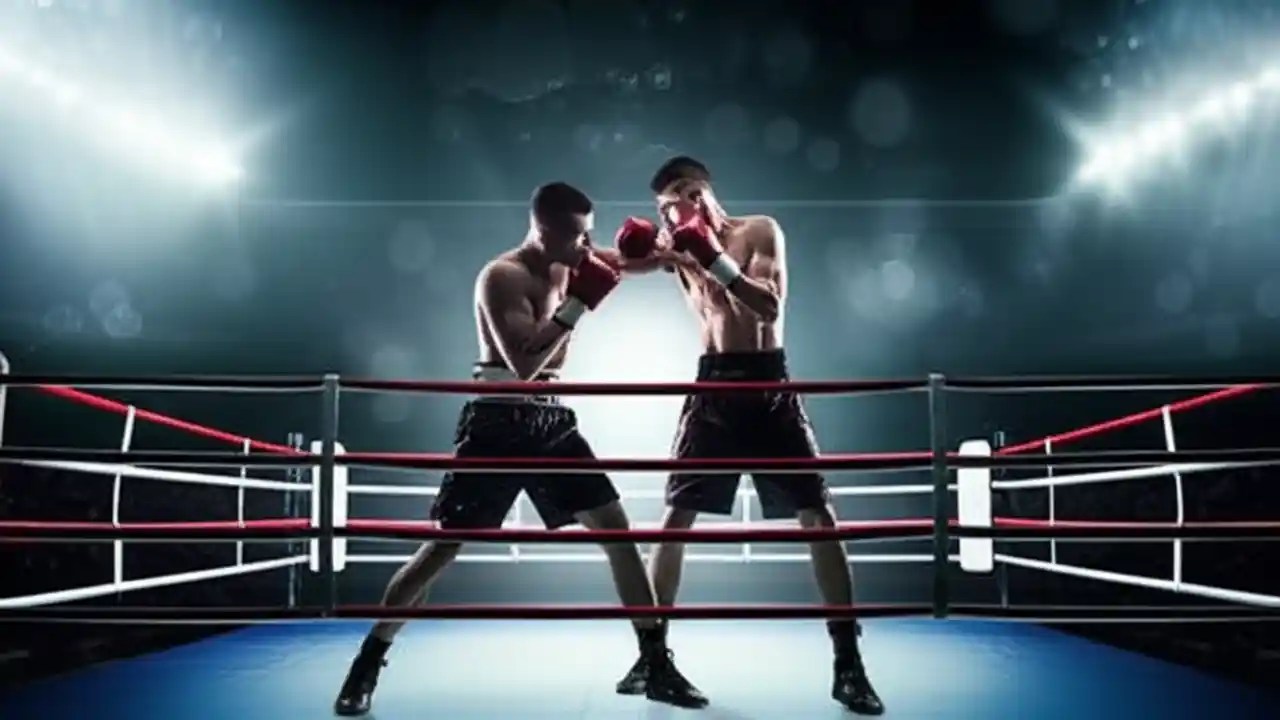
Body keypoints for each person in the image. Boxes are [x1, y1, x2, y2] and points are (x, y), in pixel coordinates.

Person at [333, 181, 703, 715]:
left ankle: (655, 664)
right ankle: (367, 662)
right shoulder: (501, 276)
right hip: (498, 421)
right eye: (577, 235)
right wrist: (579, 303)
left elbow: (626, 264)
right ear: (543, 228)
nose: (585, 246)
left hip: (553, 422)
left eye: (589, 235)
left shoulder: (572, 258)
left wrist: (677, 253)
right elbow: (525, 366)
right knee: (442, 548)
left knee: (618, 533)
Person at [613, 157, 885, 715]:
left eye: (688, 193)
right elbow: (619, 264)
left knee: (818, 514)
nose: (681, 206)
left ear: (708, 191)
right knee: (674, 517)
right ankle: (653, 654)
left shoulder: (759, 230)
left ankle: (848, 665)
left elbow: (767, 303)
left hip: (768, 385)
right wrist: (612, 248)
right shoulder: (677, 248)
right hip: (712, 388)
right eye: (668, 204)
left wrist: (710, 256)